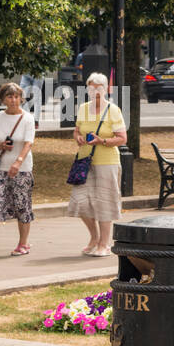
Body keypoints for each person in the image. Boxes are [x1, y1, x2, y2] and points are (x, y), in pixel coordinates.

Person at [68, 73, 127, 257]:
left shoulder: (113, 110)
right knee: (80, 201)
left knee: (105, 203)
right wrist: (77, 137)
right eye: (92, 88)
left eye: (99, 88)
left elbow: (122, 139)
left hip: (107, 162)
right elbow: (77, 130)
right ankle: (94, 237)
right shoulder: (84, 108)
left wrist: (101, 141)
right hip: (84, 162)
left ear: (106, 89)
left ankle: (104, 243)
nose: (96, 92)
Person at [0, 83, 36, 256]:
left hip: (22, 169)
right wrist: (1, 145)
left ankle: (23, 244)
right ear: (3, 99)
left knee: (22, 205)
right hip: (0, 168)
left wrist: (17, 162)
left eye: (16, 96)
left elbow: (28, 144)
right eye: (9, 97)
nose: (13, 100)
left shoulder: (27, 118)